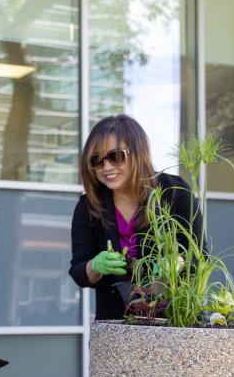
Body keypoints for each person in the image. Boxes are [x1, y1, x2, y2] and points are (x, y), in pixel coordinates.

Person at [69, 114, 204, 320]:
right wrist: (94, 265)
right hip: (114, 327)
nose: (106, 167)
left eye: (116, 156)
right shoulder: (88, 206)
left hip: (174, 321)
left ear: (138, 154)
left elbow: (200, 253)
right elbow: (79, 272)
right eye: (97, 159)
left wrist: (178, 261)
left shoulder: (174, 192)